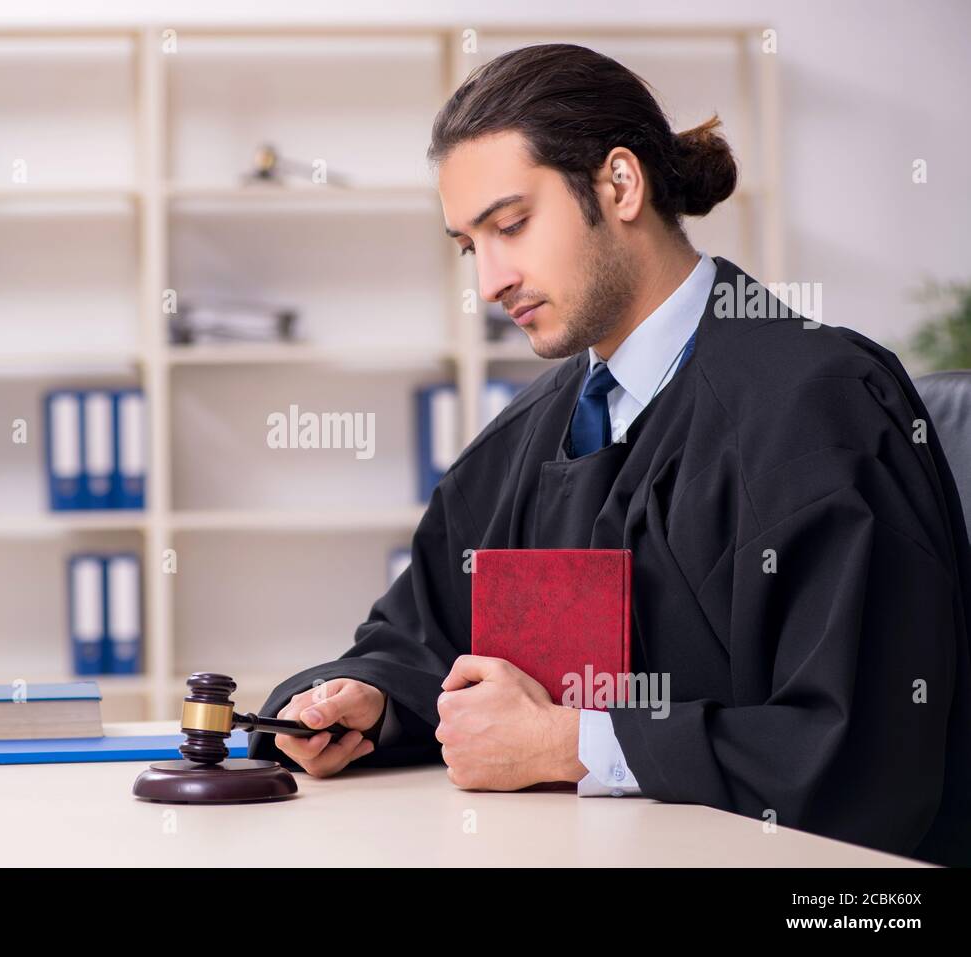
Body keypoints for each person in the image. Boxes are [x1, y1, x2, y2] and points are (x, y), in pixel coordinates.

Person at [245, 43, 971, 866]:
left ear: (620, 184)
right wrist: (368, 700)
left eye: (511, 225)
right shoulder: (525, 435)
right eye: (467, 245)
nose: (488, 280)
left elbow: (864, 753)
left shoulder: (818, 406)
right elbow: (423, 637)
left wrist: (573, 743)